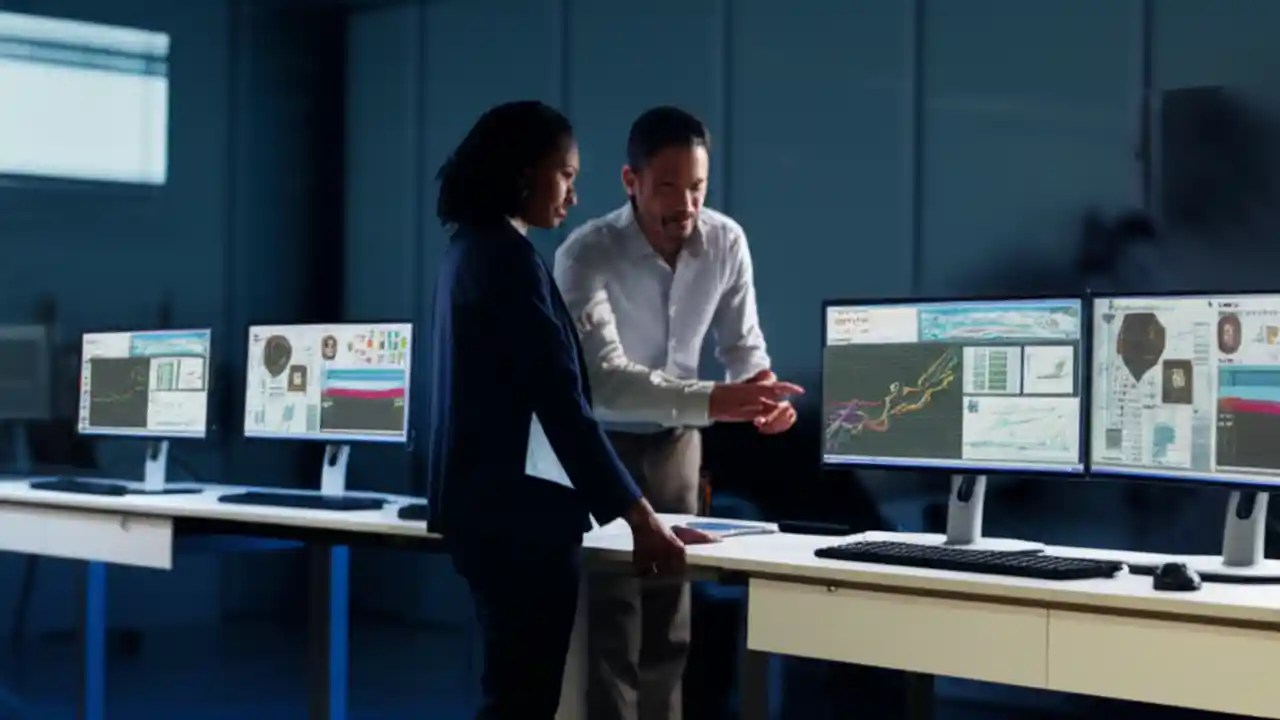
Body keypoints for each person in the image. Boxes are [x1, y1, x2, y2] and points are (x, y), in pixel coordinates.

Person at [424, 100, 715, 720]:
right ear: (525, 172)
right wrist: (639, 516)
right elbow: (560, 403)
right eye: (567, 175)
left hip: (484, 515)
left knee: (508, 693)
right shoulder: (506, 260)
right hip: (518, 527)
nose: (574, 196)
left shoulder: (466, 250)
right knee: (521, 701)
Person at [553, 106, 804, 720]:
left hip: (680, 448)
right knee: (612, 627)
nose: (686, 205)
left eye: (697, 187)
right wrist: (721, 400)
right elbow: (604, 383)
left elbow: (744, 351)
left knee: (670, 626)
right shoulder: (586, 254)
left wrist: (764, 397)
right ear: (630, 181)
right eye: (668, 186)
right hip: (603, 448)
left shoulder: (725, 240)